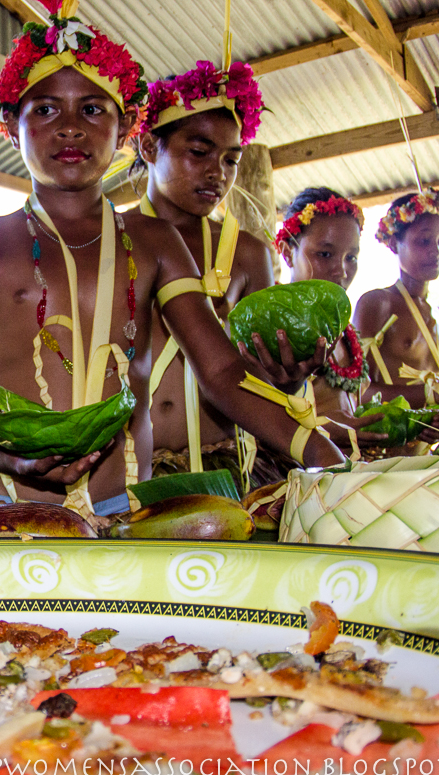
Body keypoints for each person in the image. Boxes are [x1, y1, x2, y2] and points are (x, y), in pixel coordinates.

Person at [0, 0, 342, 520]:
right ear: (11, 123)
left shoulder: (156, 242)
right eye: (45, 109)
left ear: (124, 133)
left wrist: (314, 448)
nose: (70, 127)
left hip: (123, 509)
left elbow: (222, 371)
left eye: (93, 109)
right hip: (6, 503)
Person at [126, 59, 301, 478]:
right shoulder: (112, 238)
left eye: (230, 160)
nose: (217, 173)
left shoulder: (247, 254)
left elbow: (260, 380)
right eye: (199, 152)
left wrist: (290, 380)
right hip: (125, 471)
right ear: (149, 147)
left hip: (223, 469)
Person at [276, 187, 439, 455]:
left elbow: (356, 407)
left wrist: (409, 424)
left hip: (347, 478)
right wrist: (328, 433)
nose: (342, 269)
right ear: (287, 252)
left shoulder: (343, 333)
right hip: (297, 482)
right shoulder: (274, 326)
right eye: (325, 254)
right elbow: (255, 417)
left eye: (351, 257)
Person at [356, 188, 439, 394]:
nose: (437, 251)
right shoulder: (377, 304)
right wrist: (432, 398)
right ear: (395, 244)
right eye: (424, 240)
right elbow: (354, 391)